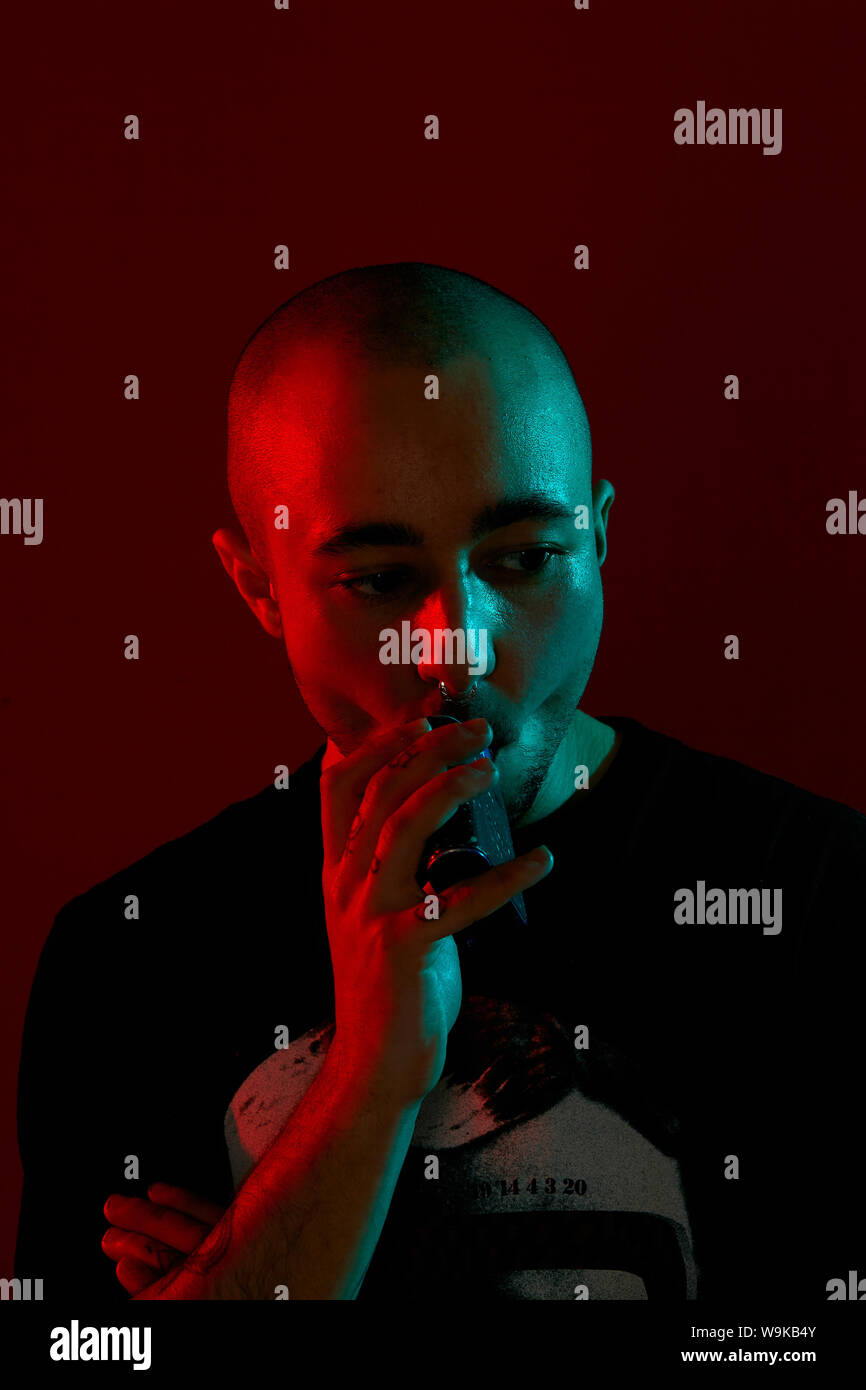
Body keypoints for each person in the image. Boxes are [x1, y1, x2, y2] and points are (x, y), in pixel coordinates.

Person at [15, 262, 865, 1301]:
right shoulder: (132, 960)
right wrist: (371, 1071)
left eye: (523, 559)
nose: (456, 648)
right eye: (376, 580)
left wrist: (260, 1261)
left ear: (597, 537)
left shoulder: (825, 899)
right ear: (258, 588)